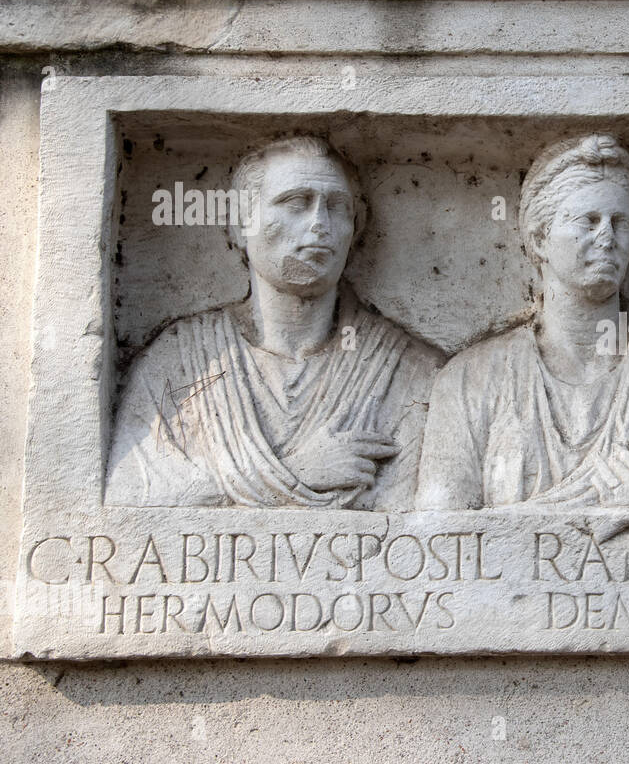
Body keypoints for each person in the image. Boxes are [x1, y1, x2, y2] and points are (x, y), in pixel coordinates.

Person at [106, 135, 444, 509]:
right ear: (239, 225)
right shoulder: (180, 362)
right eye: (295, 203)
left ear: (356, 228)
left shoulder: (411, 370)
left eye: (336, 206)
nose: (319, 224)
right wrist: (294, 474)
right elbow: (131, 500)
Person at [417, 133, 629, 511]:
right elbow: (442, 539)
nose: (607, 237)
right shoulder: (469, 381)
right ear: (540, 238)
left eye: (620, 222)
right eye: (589, 220)